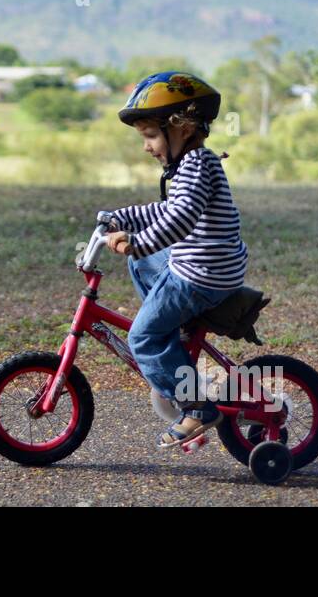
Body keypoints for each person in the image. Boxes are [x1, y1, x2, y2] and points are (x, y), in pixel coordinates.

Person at [103, 71, 248, 449]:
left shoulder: (196, 165)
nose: (147, 147)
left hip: (203, 274)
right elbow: (166, 210)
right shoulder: (191, 165)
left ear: (182, 127)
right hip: (202, 264)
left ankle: (197, 408)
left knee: (143, 337)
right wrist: (121, 217)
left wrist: (137, 242)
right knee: (141, 263)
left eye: (151, 135)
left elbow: (179, 219)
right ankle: (174, 328)